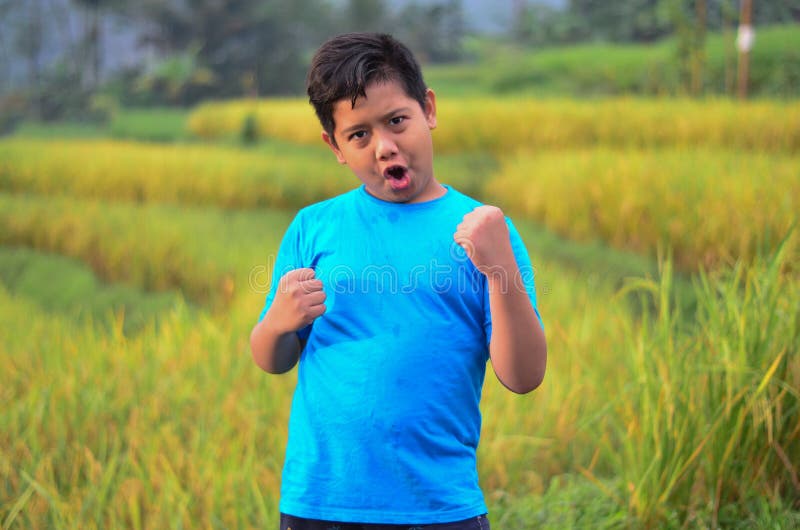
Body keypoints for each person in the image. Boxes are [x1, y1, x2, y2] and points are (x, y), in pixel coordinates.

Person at [250, 32, 547, 530]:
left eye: (396, 121)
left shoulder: (485, 231)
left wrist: (500, 269)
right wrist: (279, 322)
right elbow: (271, 358)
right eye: (359, 134)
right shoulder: (313, 227)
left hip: (437, 506)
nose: (384, 146)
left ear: (428, 108)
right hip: (321, 503)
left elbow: (524, 376)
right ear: (335, 146)